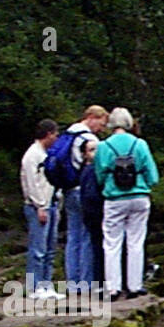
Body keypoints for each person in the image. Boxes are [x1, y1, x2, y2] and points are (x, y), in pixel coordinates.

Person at [94, 107, 159, 301]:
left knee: (112, 243)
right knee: (136, 242)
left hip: (114, 199)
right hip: (139, 196)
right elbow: (153, 176)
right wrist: (145, 184)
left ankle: (113, 288)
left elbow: (99, 175)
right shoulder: (140, 144)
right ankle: (135, 286)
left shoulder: (103, 146)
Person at [61, 105, 109, 288]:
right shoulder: (89, 139)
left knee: (73, 236)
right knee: (87, 236)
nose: (101, 129)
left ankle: (72, 281)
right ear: (91, 117)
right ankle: (86, 281)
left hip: (69, 189)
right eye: (101, 124)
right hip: (85, 190)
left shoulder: (68, 134)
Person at [20, 118, 59, 299]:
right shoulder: (32, 155)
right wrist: (40, 206)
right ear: (48, 134)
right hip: (38, 206)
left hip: (52, 203)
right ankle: (34, 286)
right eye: (55, 135)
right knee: (38, 249)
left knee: (50, 248)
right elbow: (31, 183)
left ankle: (46, 284)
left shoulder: (47, 153)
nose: (56, 138)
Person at [79, 139, 105, 294]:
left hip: (95, 213)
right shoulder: (90, 171)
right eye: (91, 150)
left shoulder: (95, 169)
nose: (96, 153)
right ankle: (99, 283)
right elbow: (90, 196)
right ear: (84, 155)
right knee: (98, 248)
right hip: (95, 214)